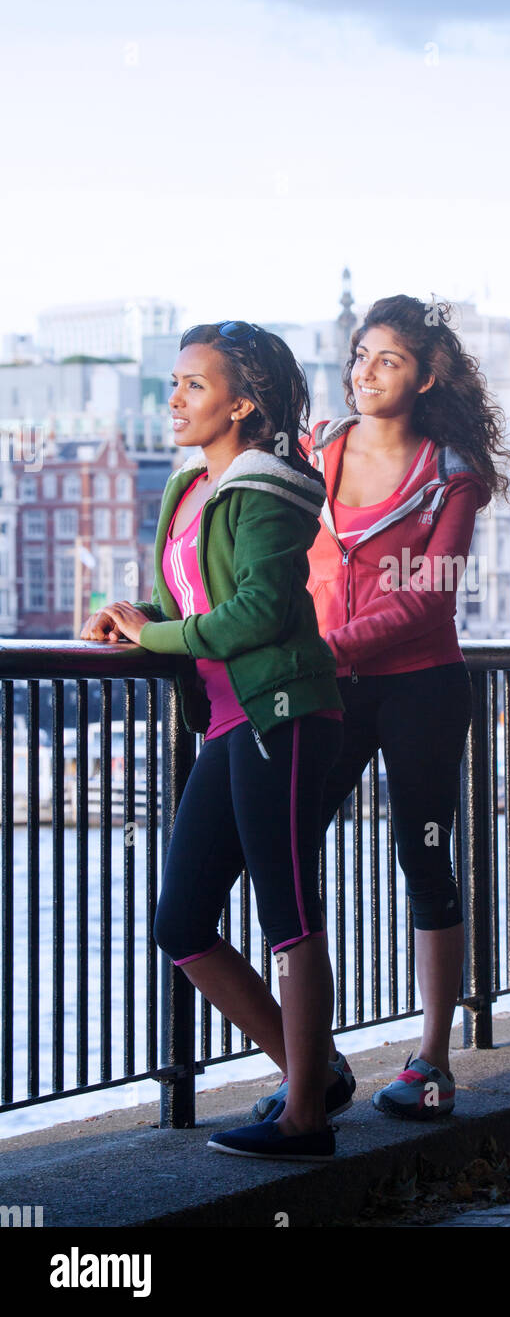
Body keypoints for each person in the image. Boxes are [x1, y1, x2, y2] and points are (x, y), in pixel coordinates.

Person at [80, 321, 351, 1161]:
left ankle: (304, 1120)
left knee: (289, 914)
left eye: (194, 386)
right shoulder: (191, 489)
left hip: (283, 713)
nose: (175, 399)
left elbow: (258, 615)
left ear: (243, 403)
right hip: (229, 719)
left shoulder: (268, 493)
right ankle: (317, 1075)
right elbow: (197, 605)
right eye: (174, 383)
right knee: (181, 920)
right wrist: (139, 624)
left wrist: (154, 637)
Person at [251, 294, 510, 1124]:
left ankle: (431, 1059)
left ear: (427, 375)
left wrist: (329, 647)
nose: (365, 373)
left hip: (419, 690)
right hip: (326, 689)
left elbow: (431, 600)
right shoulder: (314, 448)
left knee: (422, 858)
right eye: (360, 355)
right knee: (288, 856)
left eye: (388, 360)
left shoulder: (451, 475)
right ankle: (310, 1065)